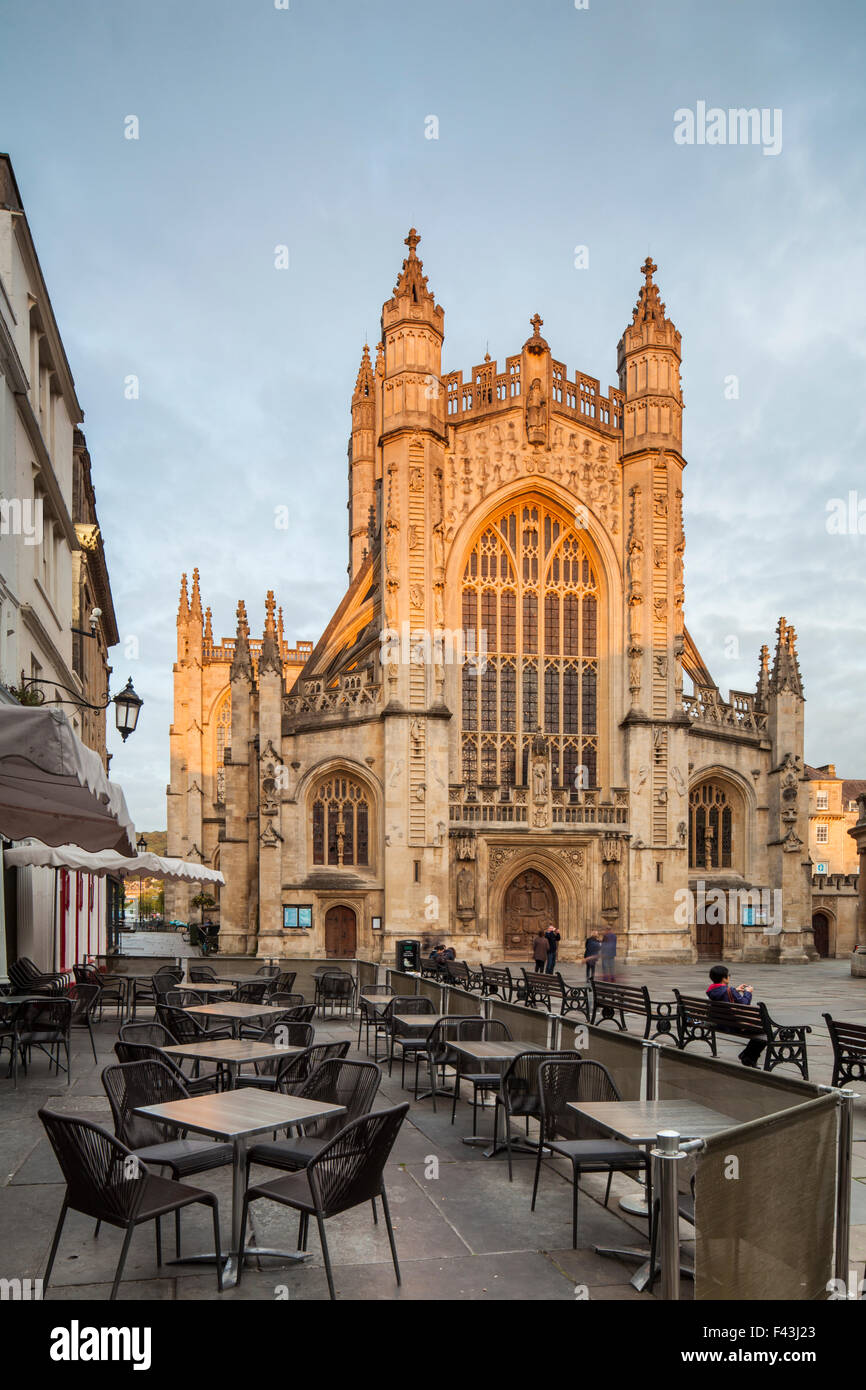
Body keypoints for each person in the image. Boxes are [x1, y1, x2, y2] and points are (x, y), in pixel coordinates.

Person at [706, 965, 766, 1068]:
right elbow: (744, 1004)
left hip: (719, 1023)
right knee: (764, 1032)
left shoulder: (711, 990)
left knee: (761, 1031)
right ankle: (748, 1057)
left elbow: (723, 995)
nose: (729, 977)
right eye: (728, 975)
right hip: (733, 1026)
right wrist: (748, 993)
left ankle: (747, 1056)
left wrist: (735, 991)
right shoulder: (730, 990)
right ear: (724, 978)